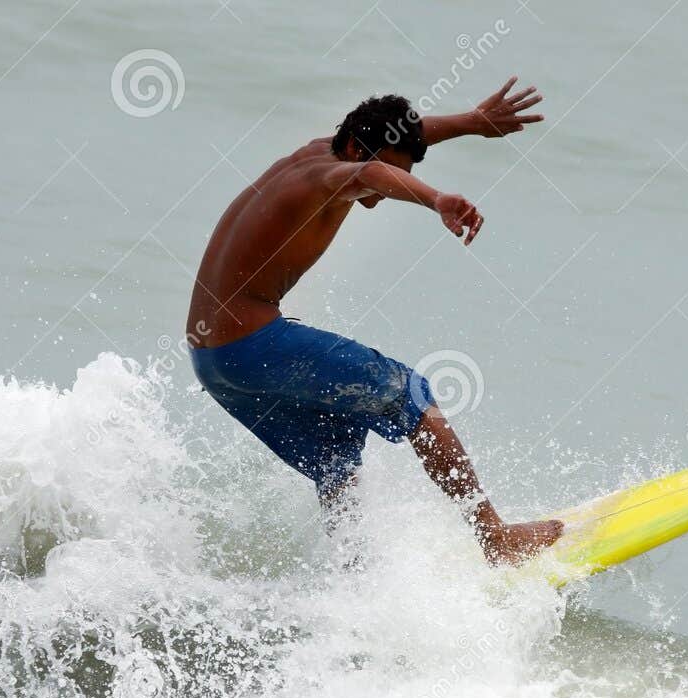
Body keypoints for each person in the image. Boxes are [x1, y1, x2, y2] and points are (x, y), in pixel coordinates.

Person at [186, 79, 565, 565]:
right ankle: (495, 538)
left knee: (335, 451)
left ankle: (356, 583)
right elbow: (370, 173)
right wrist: (436, 199)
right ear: (355, 148)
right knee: (412, 393)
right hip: (256, 346)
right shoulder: (327, 176)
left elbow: (390, 148)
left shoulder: (324, 149)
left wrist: (470, 124)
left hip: (214, 362)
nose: (386, 187)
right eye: (390, 169)